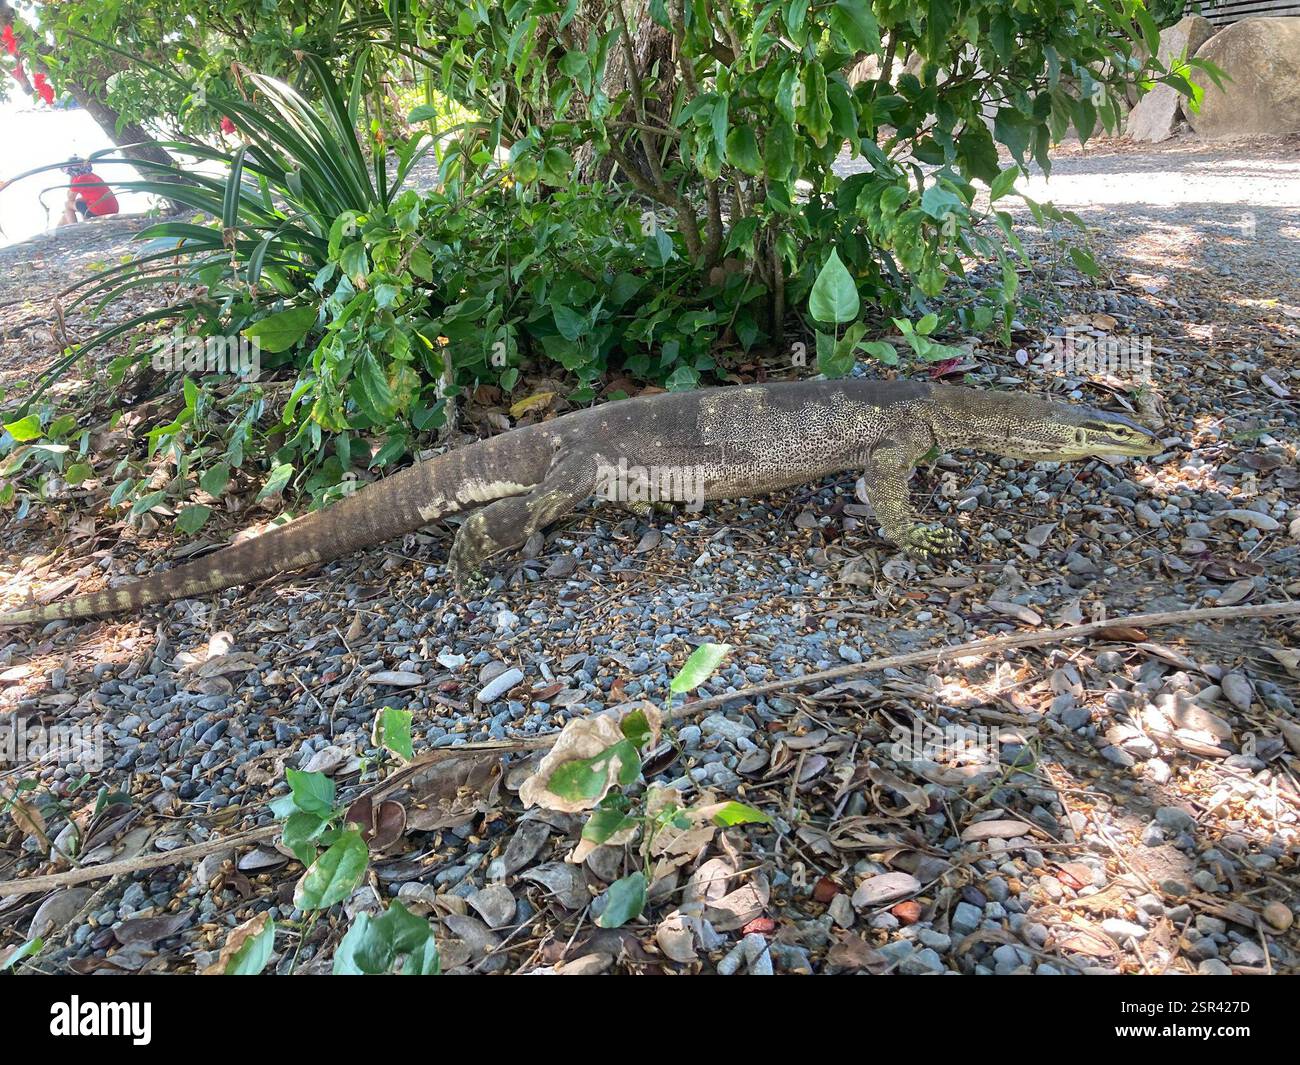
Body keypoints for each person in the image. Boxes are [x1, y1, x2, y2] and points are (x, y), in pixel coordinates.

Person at [59, 157, 118, 225]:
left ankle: (74, 227)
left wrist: (71, 179)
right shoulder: (93, 176)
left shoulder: (79, 179)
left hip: (99, 211)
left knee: (67, 205)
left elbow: (70, 198)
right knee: (79, 201)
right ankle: (84, 222)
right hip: (113, 209)